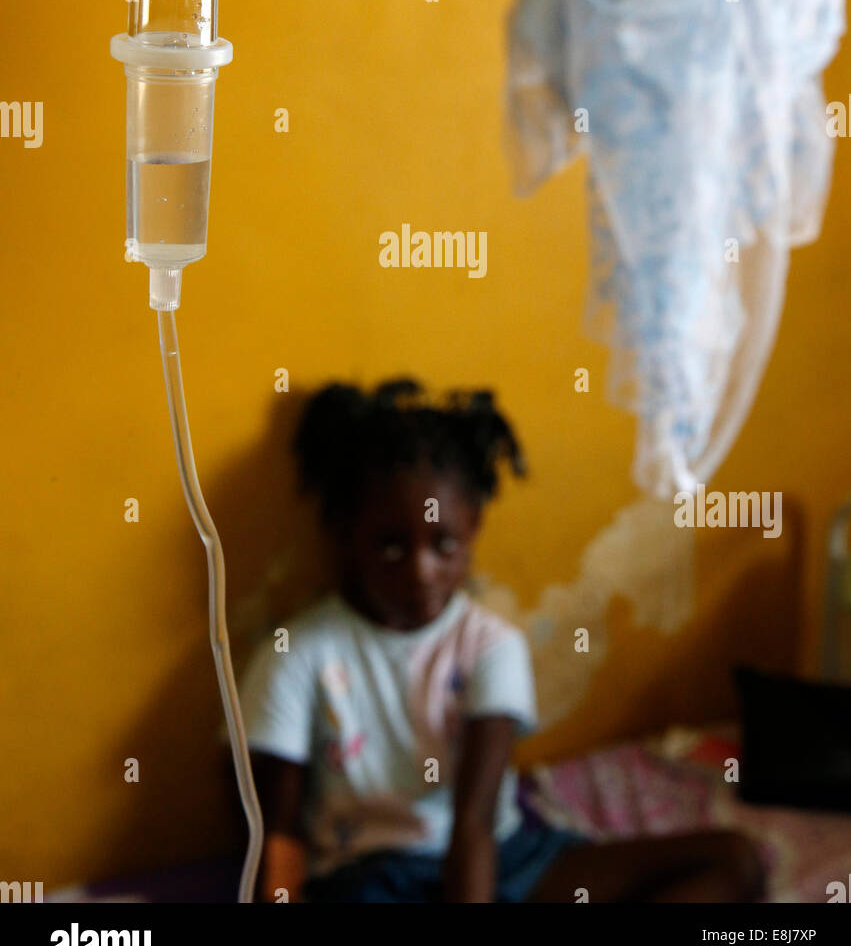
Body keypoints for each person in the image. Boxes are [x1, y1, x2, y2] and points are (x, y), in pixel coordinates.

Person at [239, 378, 764, 903]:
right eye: (391, 547)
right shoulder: (297, 653)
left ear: (474, 527)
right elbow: (277, 831)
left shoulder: (491, 647)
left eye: (443, 544)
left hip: (500, 858)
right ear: (345, 534)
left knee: (735, 860)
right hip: (374, 877)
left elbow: (476, 819)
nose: (421, 572)